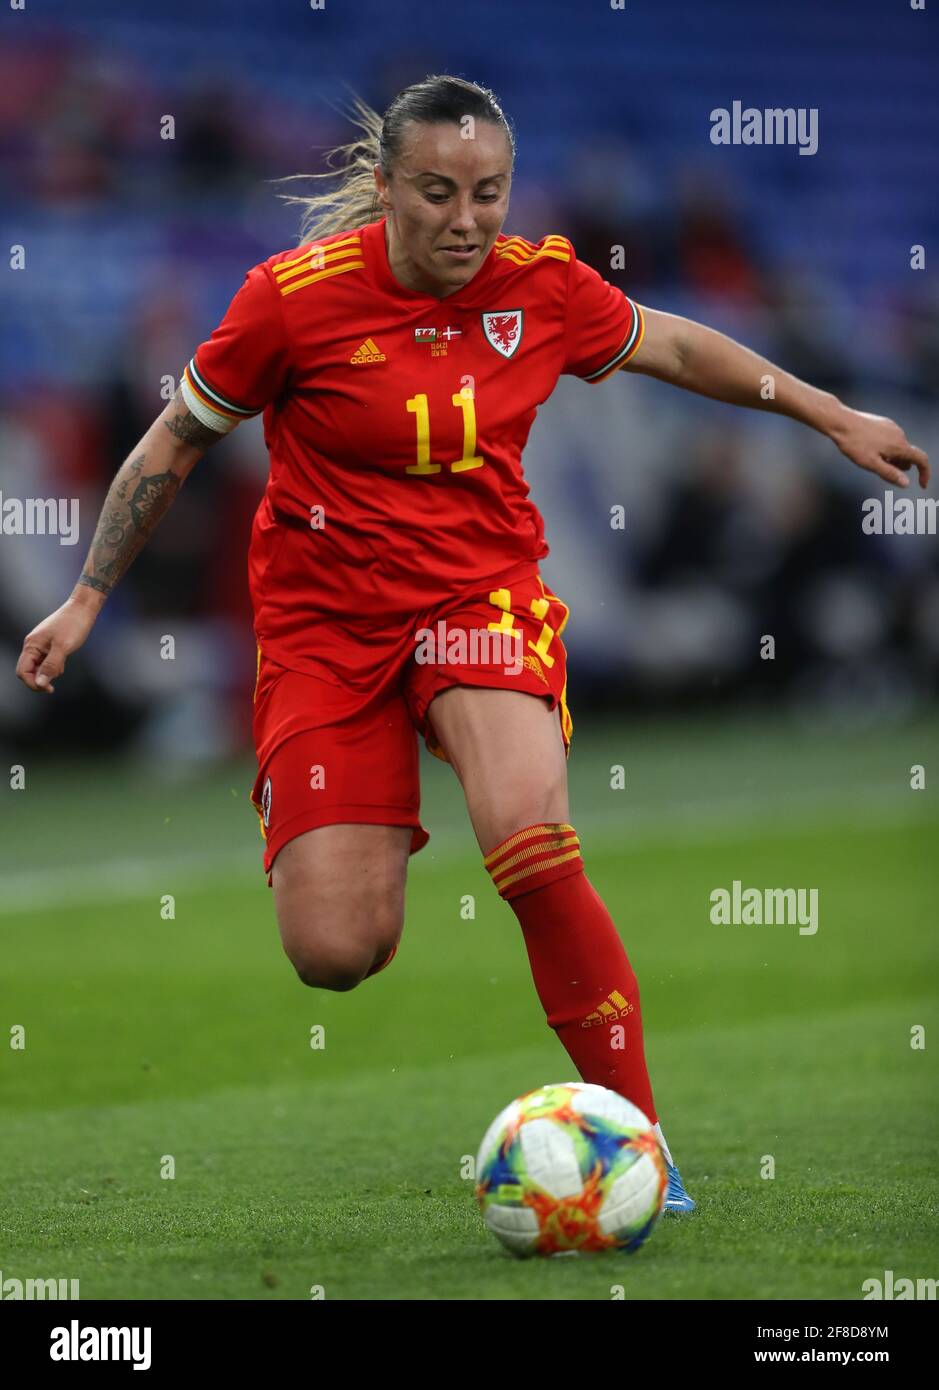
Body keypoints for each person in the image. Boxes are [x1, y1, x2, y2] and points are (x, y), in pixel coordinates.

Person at [16, 75, 929, 1216]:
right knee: (336, 950)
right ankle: (371, 801)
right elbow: (173, 442)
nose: (465, 219)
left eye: (487, 194)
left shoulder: (541, 287)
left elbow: (680, 352)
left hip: (478, 598)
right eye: (439, 193)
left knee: (531, 837)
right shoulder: (289, 302)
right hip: (325, 624)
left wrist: (828, 410)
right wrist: (87, 597)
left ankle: (640, 1145)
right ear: (388, 188)